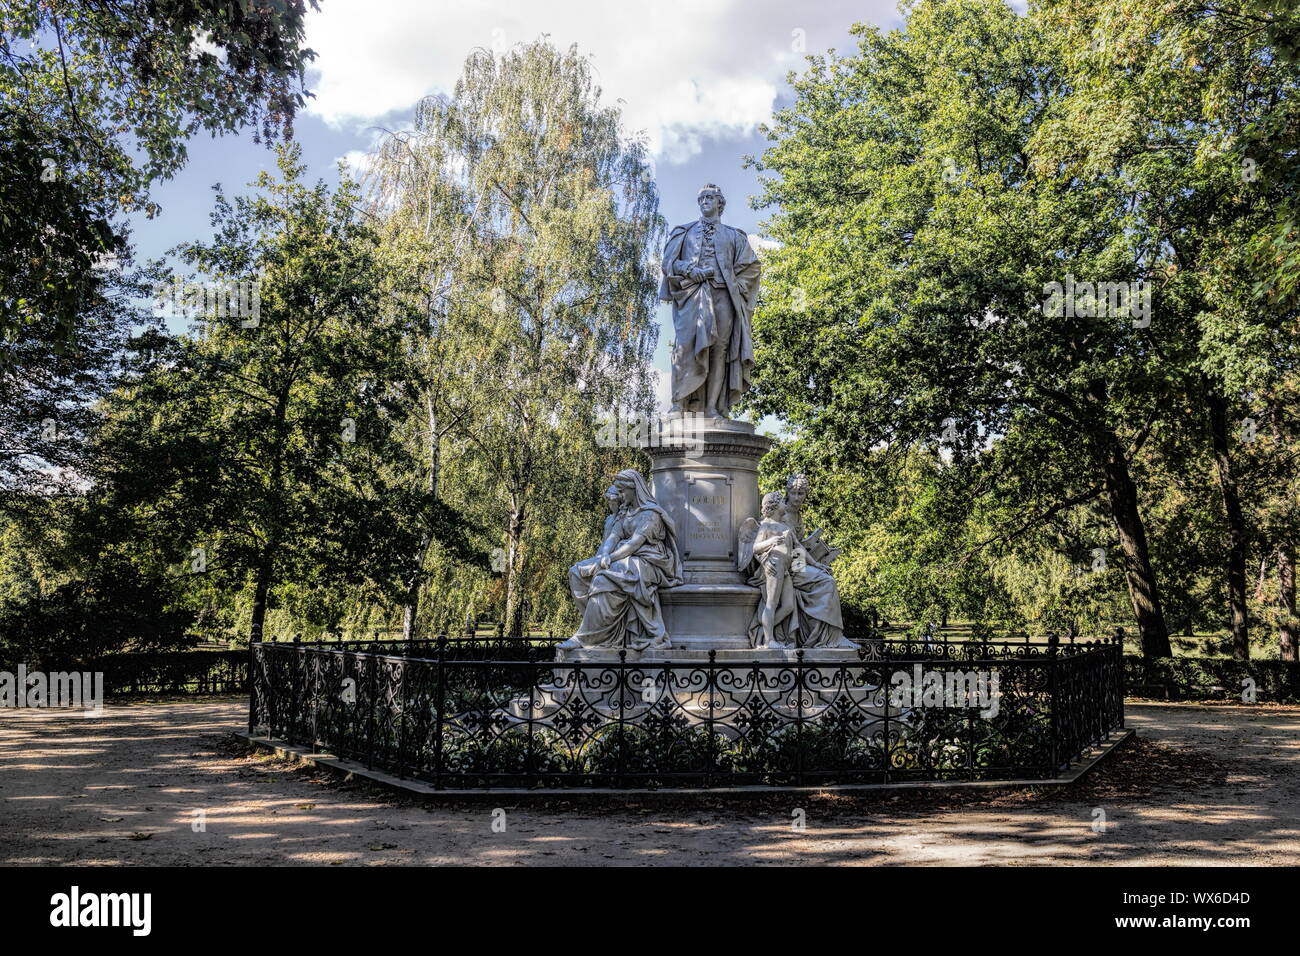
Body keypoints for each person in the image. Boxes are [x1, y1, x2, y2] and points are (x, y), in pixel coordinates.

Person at [659, 184, 761, 418]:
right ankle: (679, 404)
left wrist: (737, 286)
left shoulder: (734, 236)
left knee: (720, 350)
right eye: (702, 198)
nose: (705, 201)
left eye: (710, 197)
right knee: (684, 345)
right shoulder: (683, 232)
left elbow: (751, 267)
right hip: (692, 294)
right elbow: (668, 263)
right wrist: (688, 269)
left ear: (720, 203)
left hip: (724, 295)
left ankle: (713, 407)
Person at [560, 470, 683, 650]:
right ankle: (602, 629)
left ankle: (586, 638)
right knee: (577, 573)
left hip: (650, 561)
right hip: (626, 557)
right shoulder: (626, 512)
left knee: (603, 579)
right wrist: (603, 556)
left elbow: (634, 544)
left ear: (634, 489)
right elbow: (614, 536)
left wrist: (610, 558)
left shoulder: (650, 514)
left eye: (622, 491)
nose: (620, 495)